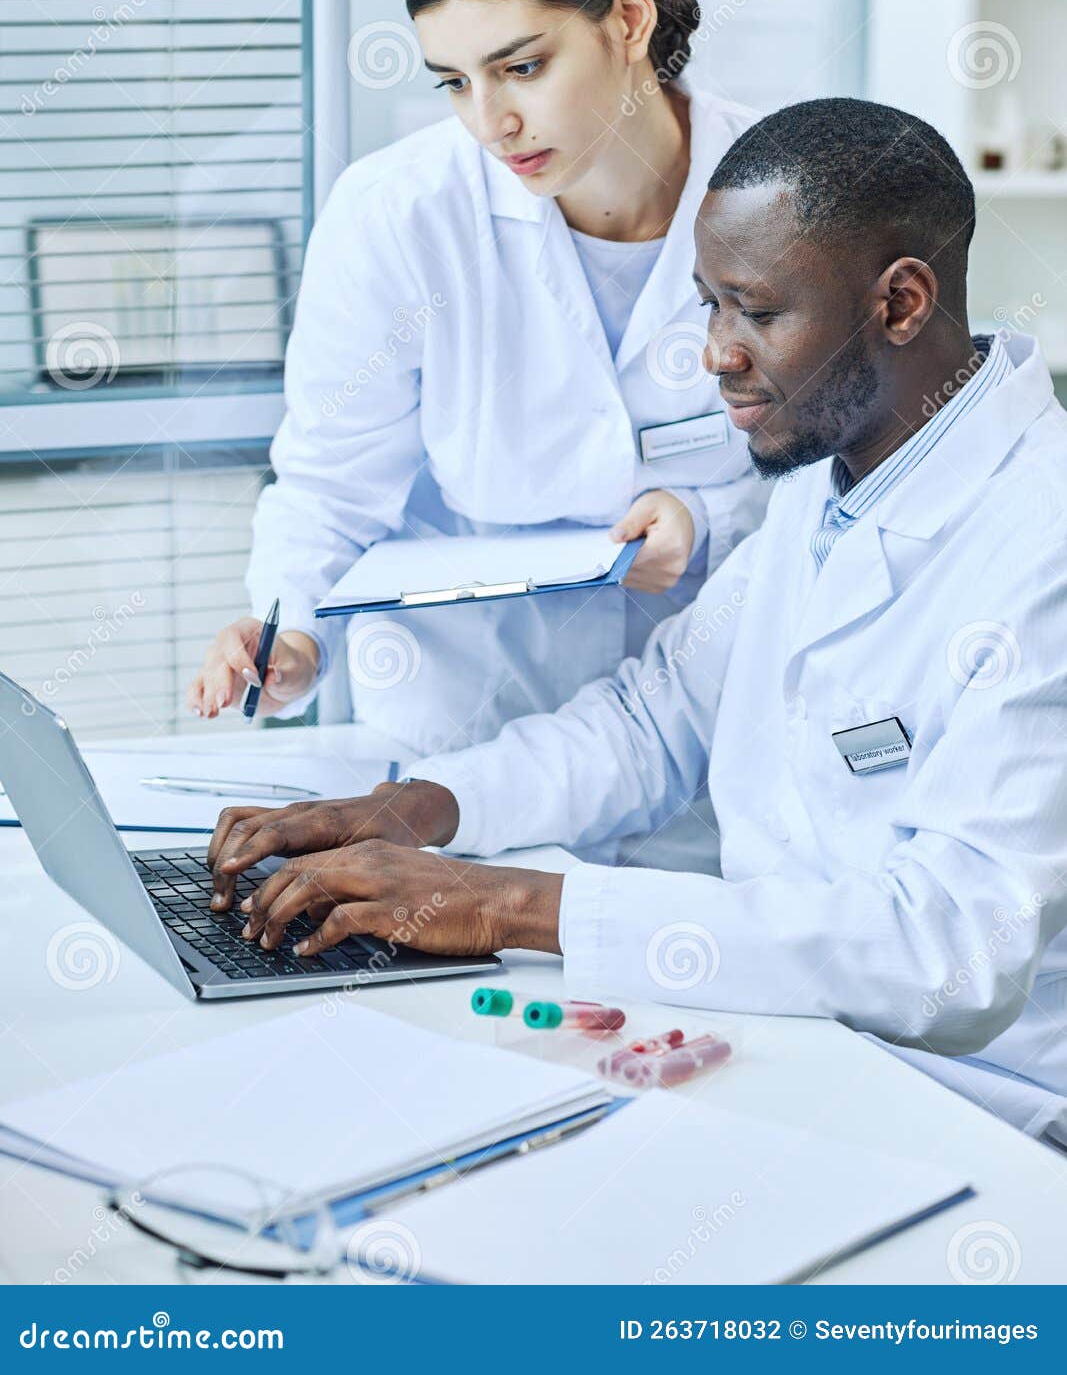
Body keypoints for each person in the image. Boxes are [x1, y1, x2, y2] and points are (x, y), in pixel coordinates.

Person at [205, 96, 1067, 1142]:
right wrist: (425, 808)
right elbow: (653, 717)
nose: (714, 354)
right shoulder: (832, 470)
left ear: (897, 303)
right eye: (706, 305)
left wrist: (515, 903)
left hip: (980, 1116)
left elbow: (950, 951)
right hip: (791, 1053)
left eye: (753, 310)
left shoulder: (1038, 542)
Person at [186, 0, 766, 764]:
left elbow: (855, 469)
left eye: (522, 68)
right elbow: (331, 484)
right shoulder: (398, 213)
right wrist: (288, 637)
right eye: (455, 82)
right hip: (461, 734)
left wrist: (711, 524)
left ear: (627, 17)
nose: (488, 123)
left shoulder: (784, 194)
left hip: (705, 722)